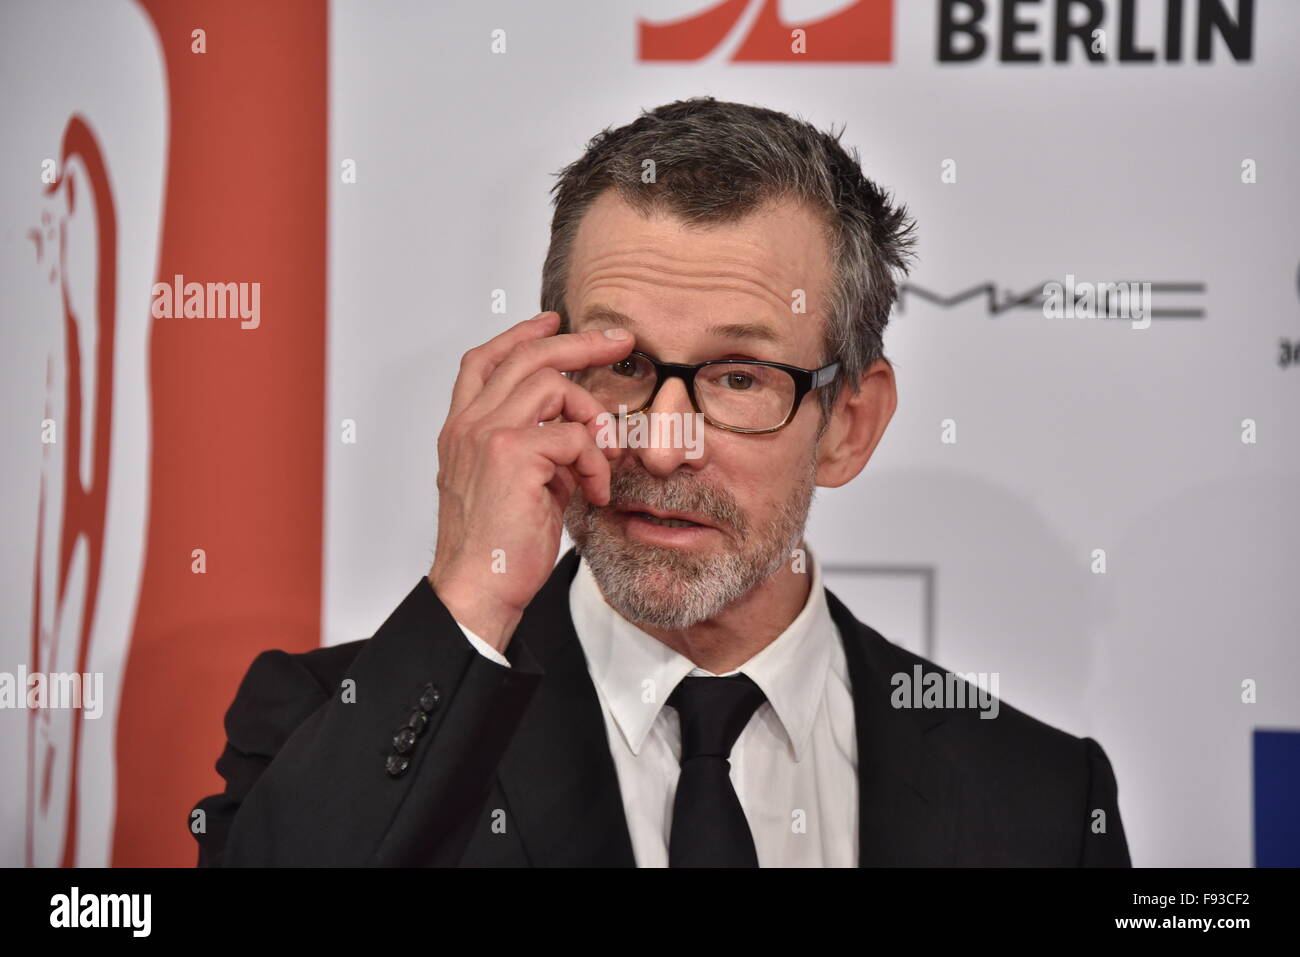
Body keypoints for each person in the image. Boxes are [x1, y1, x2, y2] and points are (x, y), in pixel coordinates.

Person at [192, 97, 1131, 867]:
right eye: (624, 365)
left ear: (848, 424)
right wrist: (475, 591)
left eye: (738, 377)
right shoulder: (326, 722)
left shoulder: (1040, 798)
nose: (665, 444)